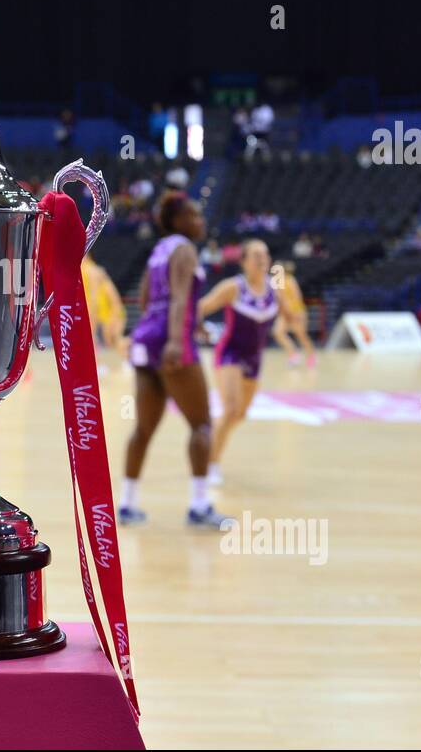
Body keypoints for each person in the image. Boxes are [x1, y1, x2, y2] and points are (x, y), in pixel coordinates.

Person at [120, 193, 227, 528]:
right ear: (177, 220)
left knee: (143, 428)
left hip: (146, 337)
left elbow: (145, 299)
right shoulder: (185, 249)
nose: (200, 221)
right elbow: (179, 297)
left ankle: (127, 503)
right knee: (201, 424)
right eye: (193, 215)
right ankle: (199, 506)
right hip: (170, 340)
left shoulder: (159, 250)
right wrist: (178, 340)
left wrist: (189, 324)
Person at [199, 240, 278, 485]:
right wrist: (197, 329)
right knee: (231, 409)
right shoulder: (233, 287)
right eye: (256, 255)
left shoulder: (275, 289)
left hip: (255, 358)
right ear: (243, 261)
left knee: (240, 414)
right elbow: (200, 308)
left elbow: (290, 312)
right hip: (230, 353)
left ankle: (214, 433)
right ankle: (210, 463)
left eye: (265, 254)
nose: (262, 259)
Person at [82, 253, 128, 358]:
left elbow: (94, 296)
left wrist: (92, 314)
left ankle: (135, 351)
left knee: (114, 340)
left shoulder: (91, 271)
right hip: (106, 310)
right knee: (110, 341)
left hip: (109, 311)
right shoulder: (93, 270)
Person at [272, 260, 315, 368]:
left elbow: (297, 297)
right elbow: (279, 300)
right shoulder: (277, 282)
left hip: (295, 312)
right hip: (284, 313)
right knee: (277, 332)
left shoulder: (289, 280)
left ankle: (311, 356)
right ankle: (293, 354)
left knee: (301, 335)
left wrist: (295, 313)